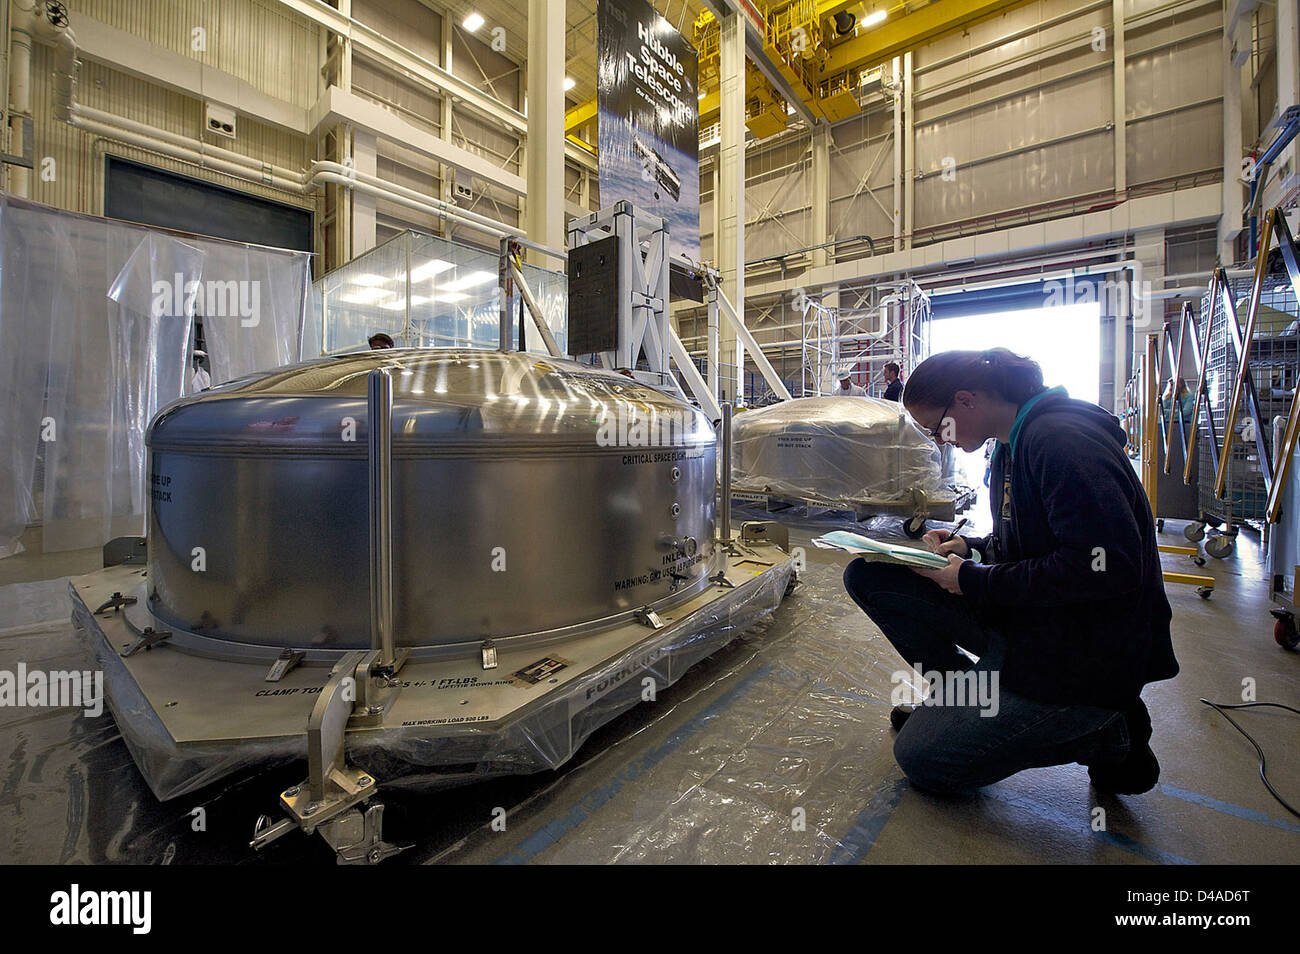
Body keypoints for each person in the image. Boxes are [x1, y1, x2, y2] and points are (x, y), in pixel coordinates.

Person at [842, 347, 1178, 796]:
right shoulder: (1009, 445)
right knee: (868, 576)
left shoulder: (1062, 442)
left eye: (936, 426)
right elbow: (1030, 544)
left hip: (1087, 651)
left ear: (966, 400)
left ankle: (1110, 729)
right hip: (1036, 623)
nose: (938, 440)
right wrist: (973, 547)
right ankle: (963, 697)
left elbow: (1105, 568)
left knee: (925, 760)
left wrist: (971, 579)